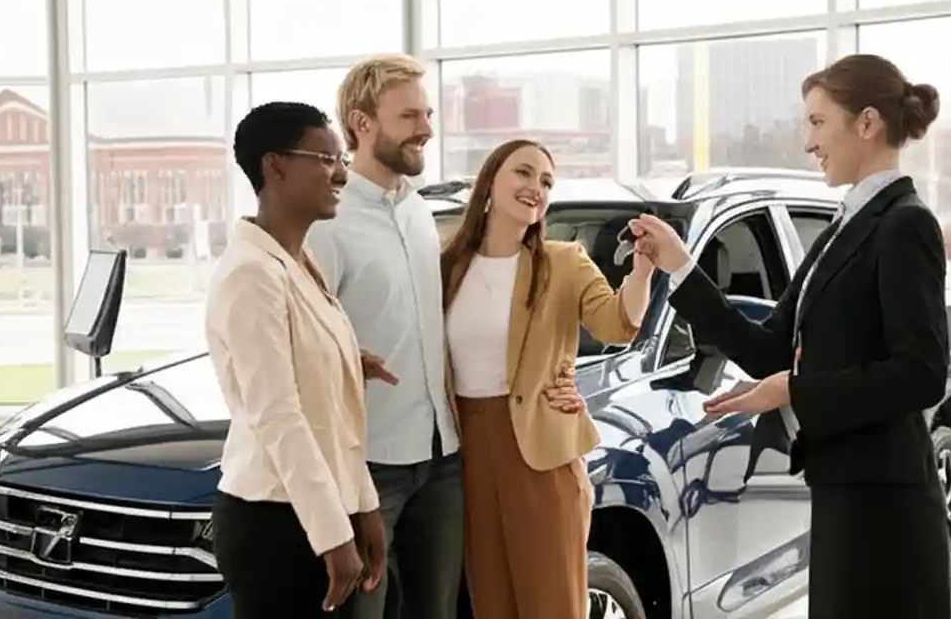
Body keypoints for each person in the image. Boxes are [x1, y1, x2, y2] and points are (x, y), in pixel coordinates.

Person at [630, 54, 951, 619]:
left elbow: (922, 373)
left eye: (818, 122)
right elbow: (766, 348)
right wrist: (680, 267)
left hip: (887, 510)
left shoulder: (905, 224)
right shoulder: (844, 226)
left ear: (868, 123)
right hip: (844, 493)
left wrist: (795, 391)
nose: (809, 142)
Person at [441, 138, 653, 618]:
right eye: (523, 173)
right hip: (467, 453)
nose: (535, 187)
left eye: (546, 182)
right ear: (490, 181)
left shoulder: (563, 262)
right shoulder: (448, 266)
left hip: (541, 455)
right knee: (492, 603)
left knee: (551, 606)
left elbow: (617, 324)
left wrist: (640, 273)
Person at [205, 102, 390, 618]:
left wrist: (364, 504)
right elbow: (278, 413)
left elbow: (331, 410)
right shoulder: (251, 273)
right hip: (276, 524)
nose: (341, 173)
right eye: (326, 158)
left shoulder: (298, 263)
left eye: (342, 160)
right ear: (275, 165)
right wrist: (334, 536)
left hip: (322, 506)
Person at [306, 54, 464, 619]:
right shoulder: (326, 221)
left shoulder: (420, 211)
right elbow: (306, 344)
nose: (426, 128)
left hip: (442, 457)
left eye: (427, 113)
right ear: (361, 123)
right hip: (367, 466)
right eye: (409, 116)